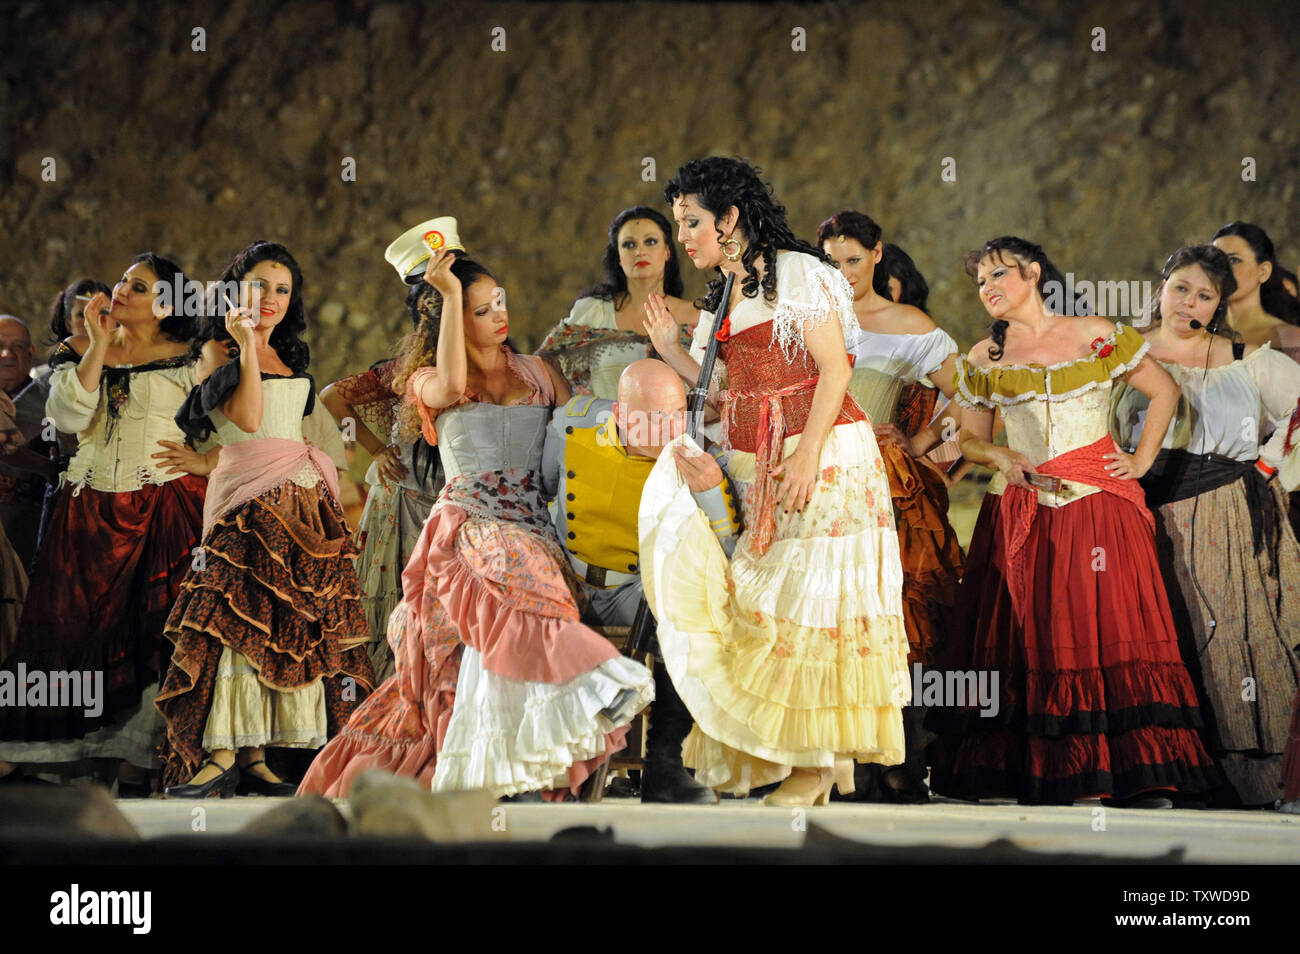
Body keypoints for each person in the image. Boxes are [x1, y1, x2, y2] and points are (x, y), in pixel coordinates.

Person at [299, 250, 653, 800]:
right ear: (450, 323)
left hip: (537, 523)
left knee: (524, 596)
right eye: (482, 311)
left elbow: (590, 429)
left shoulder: (536, 371)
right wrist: (446, 296)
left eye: (500, 302)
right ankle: (595, 682)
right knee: (514, 575)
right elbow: (445, 382)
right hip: (468, 523)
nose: (500, 316)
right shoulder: (427, 380)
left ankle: (525, 758)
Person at [642, 157, 909, 806]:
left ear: (729, 218)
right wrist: (670, 351)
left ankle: (815, 766)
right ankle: (809, 763)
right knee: (764, 604)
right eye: (679, 224)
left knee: (807, 604)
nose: (684, 238)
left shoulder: (799, 273)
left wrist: (807, 451)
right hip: (759, 458)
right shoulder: (725, 293)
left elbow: (834, 371)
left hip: (819, 452)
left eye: (691, 223)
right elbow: (726, 392)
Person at [926, 236, 1221, 806]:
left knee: (1097, 629)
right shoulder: (984, 358)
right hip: (1021, 506)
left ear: (1033, 273)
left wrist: (1136, 460)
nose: (987, 290)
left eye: (998, 276)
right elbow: (968, 438)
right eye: (980, 282)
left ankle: (1121, 773)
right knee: (1029, 635)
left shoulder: (1093, 333)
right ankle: (1036, 771)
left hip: (1096, 504)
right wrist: (999, 457)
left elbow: (1162, 392)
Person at [156, 240, 374, 798]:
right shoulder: (218, 348)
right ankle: (222, 753)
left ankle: (255, 754)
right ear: (235, 288)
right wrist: (248, 346)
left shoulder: (293, 356)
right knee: (235, 616)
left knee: (283, 622)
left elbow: (292, 432)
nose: (271, 298)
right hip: (245, 505)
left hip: (300, 503)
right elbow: (248, 418)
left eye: (282, 289)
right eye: (259, 285)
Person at [0, 254, 204, 796]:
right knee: (72, 627)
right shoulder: (79, 350)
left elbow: (227, 426)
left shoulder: (191, 360)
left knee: (152, 631)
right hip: (88, 510)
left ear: (165, 305)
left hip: (162, 506)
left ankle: (142, 758)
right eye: (122, 281)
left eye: (137, 287)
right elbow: (67, 417)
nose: (120, 290)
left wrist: (204, 463)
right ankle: (54, 757)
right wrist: (95, 342)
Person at [1115, 245, 1300, 807]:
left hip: (1225, 507)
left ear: (1219, 303)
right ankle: (1162, 771)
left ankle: (1249, 778)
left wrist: (1270, 464)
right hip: (1144, 505)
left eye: (1204, 295)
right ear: (1162, 286)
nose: (1188, 303)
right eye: (1180, 288)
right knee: (1158, 636)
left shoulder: (1247, 358)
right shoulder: (1123, 351)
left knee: (1233, 636)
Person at [543, 358, 741, 803]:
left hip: (638, 590)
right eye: (654, 419)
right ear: (619, 414)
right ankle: (528, 767)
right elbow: (542, 490)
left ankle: (663, 767)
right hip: (567, 580)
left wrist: (709, 489)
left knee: (689, 618)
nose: (669, 430)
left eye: (675, 416)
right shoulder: (571, 429)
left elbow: (726, 550)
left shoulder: (694, 459)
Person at [818, 211, 966, 802]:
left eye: (854, 258)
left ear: (878, 255)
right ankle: (835, 764)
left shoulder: (908, 324)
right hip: (818, 482)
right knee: (828, 618)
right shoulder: (805, 320)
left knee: (889, 615)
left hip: (883, 485)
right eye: (832, 261)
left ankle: (897, 759)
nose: (844, 271)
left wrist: (923, 444)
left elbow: (972, 395)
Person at [322, 283, 444, 683]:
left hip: (453, 500)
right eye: (428, 311)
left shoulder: (491, 366)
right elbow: (331, 399)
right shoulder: (401, 373)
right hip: (402, 501)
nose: (437, 320)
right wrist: (376, 449)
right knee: (394, 609)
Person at [538, 206, 695, 399]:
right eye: (629, 245)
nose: (640, 251)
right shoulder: (593, 311)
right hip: (604, 427)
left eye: (650, 242)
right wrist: (568, 410)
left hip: (681, 428)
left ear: (667, 252)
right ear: (619, 258)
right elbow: (543, 364)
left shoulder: (699, 316)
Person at [17, 282, 111, 570]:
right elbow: (8, 432)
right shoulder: (54, 380)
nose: (92, 320)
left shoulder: (137, 371)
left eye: (103, 311)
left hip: (131, 499)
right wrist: (48, 469)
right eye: (82, 314)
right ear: (67, 321)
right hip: (73, 502)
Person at [1211, 222, 1300, 362]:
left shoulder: (1289, 338)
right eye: (1216, 260)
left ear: (1263, 271)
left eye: (1234, 260)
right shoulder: (1199, 329)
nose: (1222, 269)